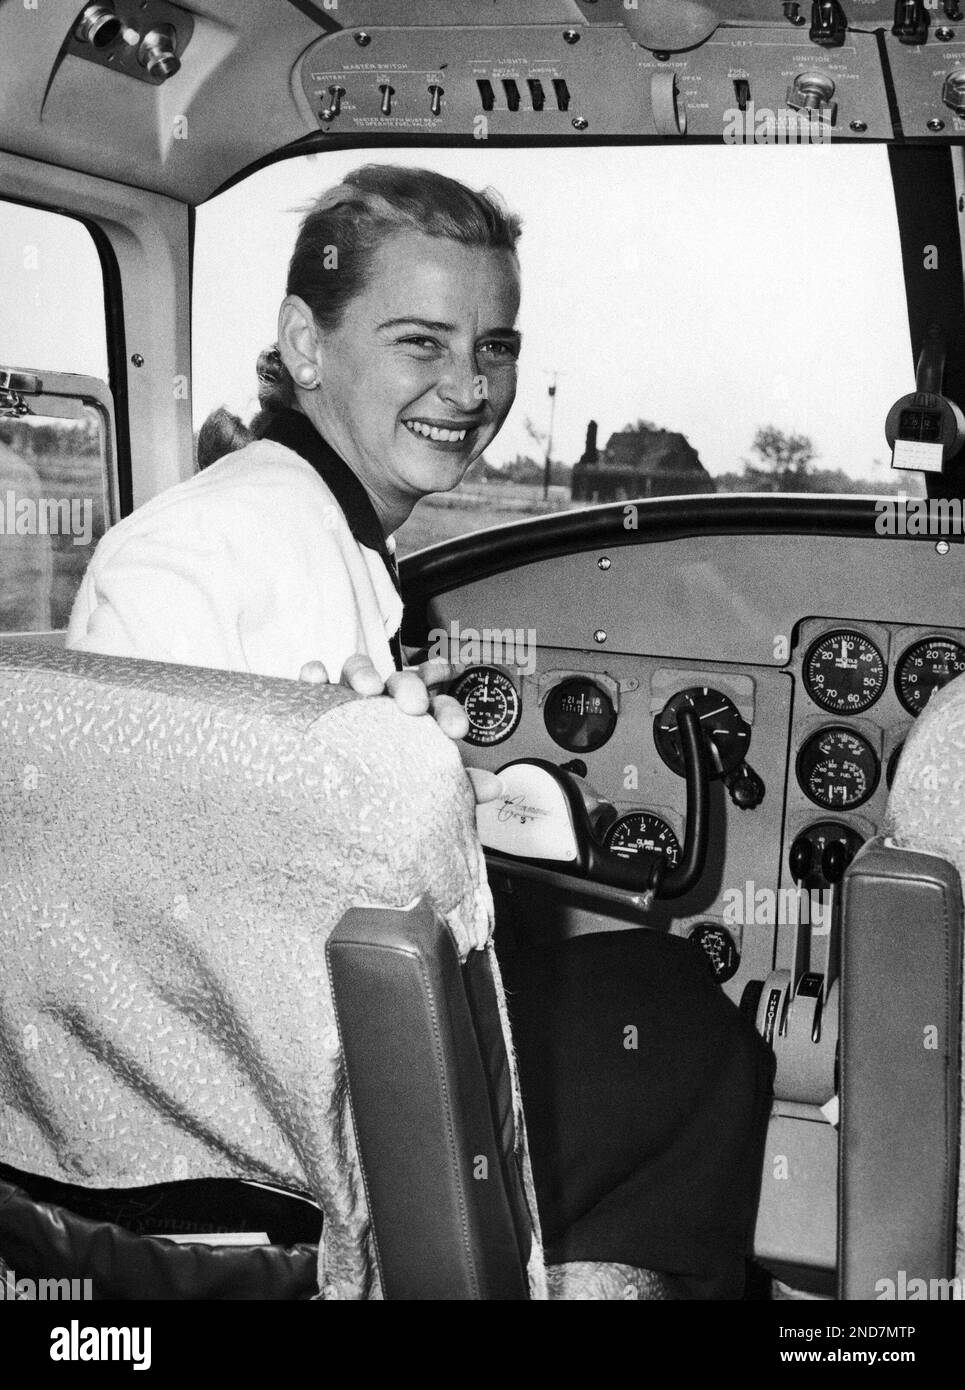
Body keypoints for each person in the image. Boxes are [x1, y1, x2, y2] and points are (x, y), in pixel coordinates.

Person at [67, 163, 773, 1298]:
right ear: (306, 342)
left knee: (654, 984)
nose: (468, 386)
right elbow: (140, 946)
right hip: (246, 1138)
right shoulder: (192, 559)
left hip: (302, 1059)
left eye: (492, 346)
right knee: (693, 1043)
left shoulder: (325, 529)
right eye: (420, 342)